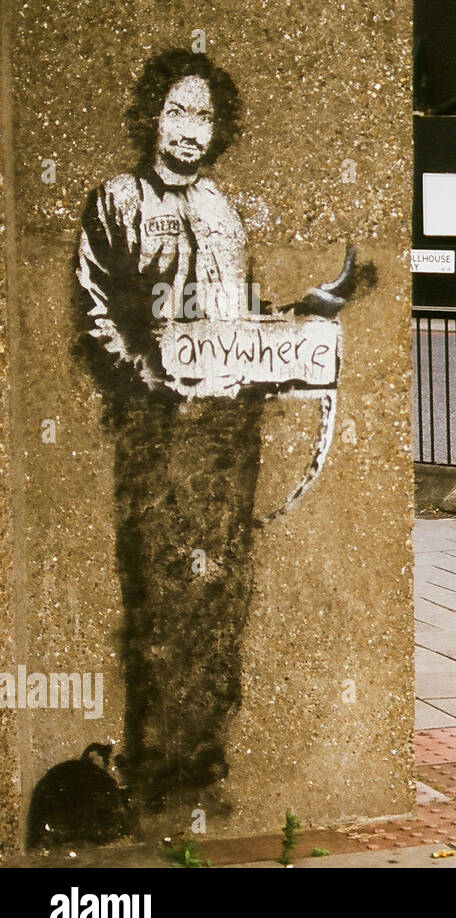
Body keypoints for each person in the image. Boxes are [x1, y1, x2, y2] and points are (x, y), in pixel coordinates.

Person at [75, 50, 302, 823]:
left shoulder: (221, 211)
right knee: (159, 595)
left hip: (224, 434)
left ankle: (201, 761)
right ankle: (154, 762)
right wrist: (150, 376)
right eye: (176, 110)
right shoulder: (118, 200)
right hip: (156, 429)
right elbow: (97, 312)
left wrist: (277, 347)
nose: (189, 129)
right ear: (152, 116)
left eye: (203, 114)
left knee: (218, 596)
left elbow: (235, 316)